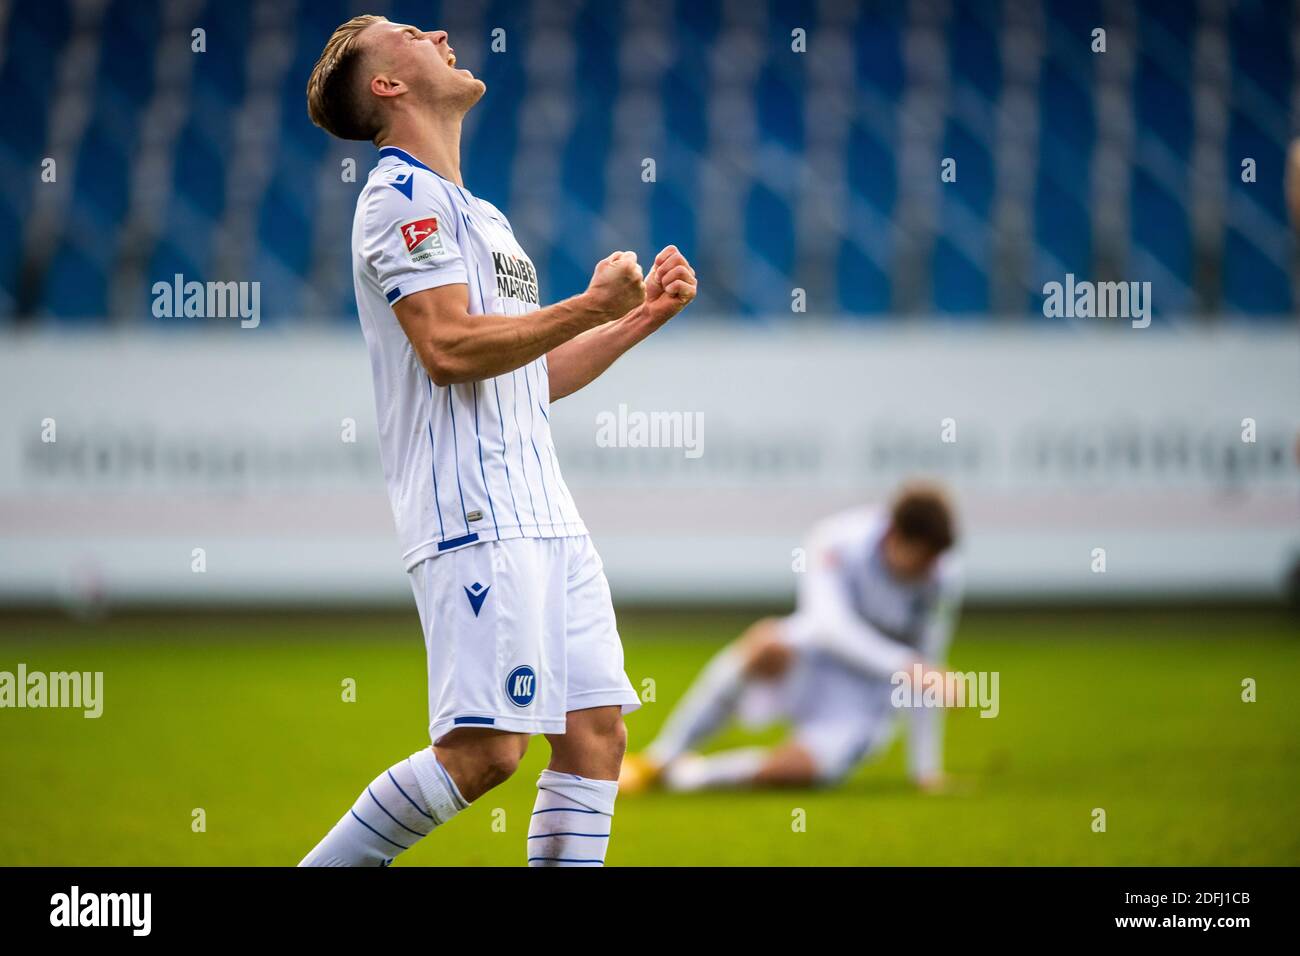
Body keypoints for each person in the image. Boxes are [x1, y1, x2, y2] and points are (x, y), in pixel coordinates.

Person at [298, 15, 697, 867]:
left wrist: (634, 322)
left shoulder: (483, 216)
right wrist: (590, 305)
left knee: (595, 737)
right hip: (474, 511)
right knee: (486, 755)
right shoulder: (396, 200)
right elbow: (447, 351)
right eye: (409, 32)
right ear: (387, 86)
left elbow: (525, 379)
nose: (440, 30)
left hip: (547, 515)